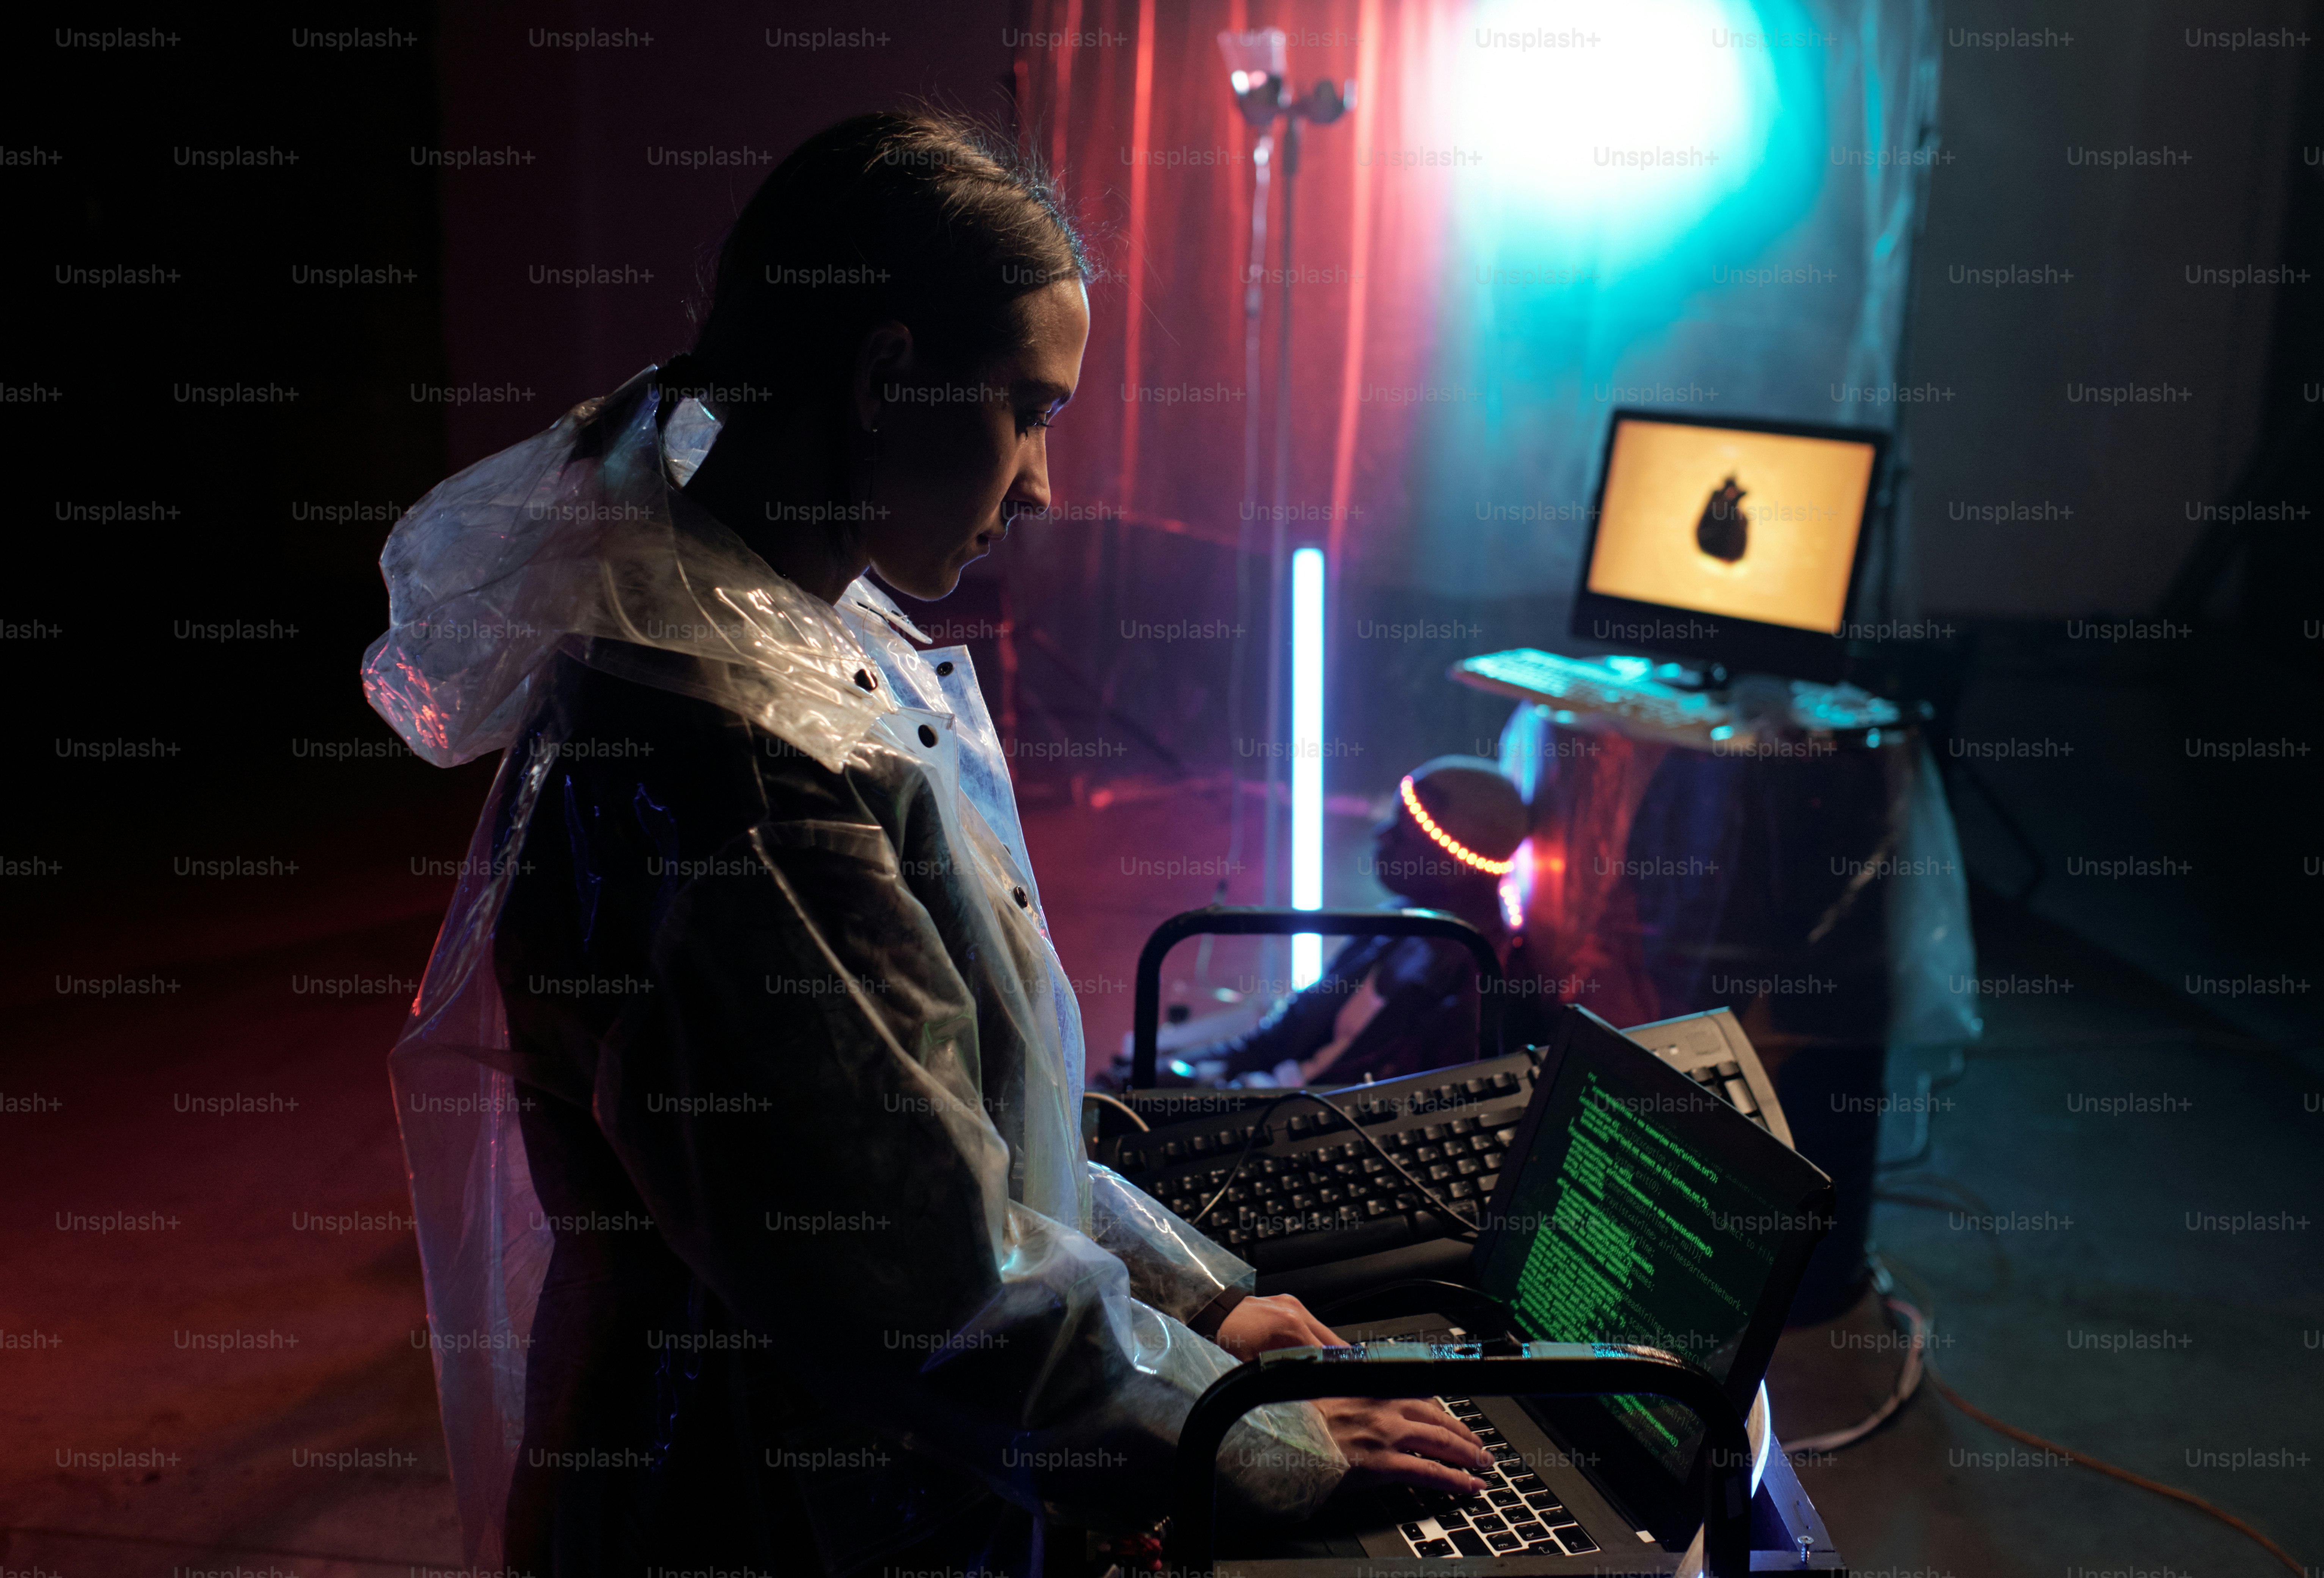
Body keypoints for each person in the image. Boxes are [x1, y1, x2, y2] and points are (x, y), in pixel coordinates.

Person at [364, 110, 1488, 1576]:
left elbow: (947, 1128)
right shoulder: (751, 762)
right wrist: (1253, 1441)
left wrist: (1201, 1308)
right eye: (1028, 411)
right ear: (889, 378)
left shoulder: (783, 626)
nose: (1038, 484)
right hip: (771, 1518)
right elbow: (929, 1296)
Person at [1192, 756, 1544, 1087]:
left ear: (1456, 863)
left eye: (1405, 831)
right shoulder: (1395, 925)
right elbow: (1276, 1039)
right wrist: (1182, 1074)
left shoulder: (1478, 984)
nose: (1382, 834)